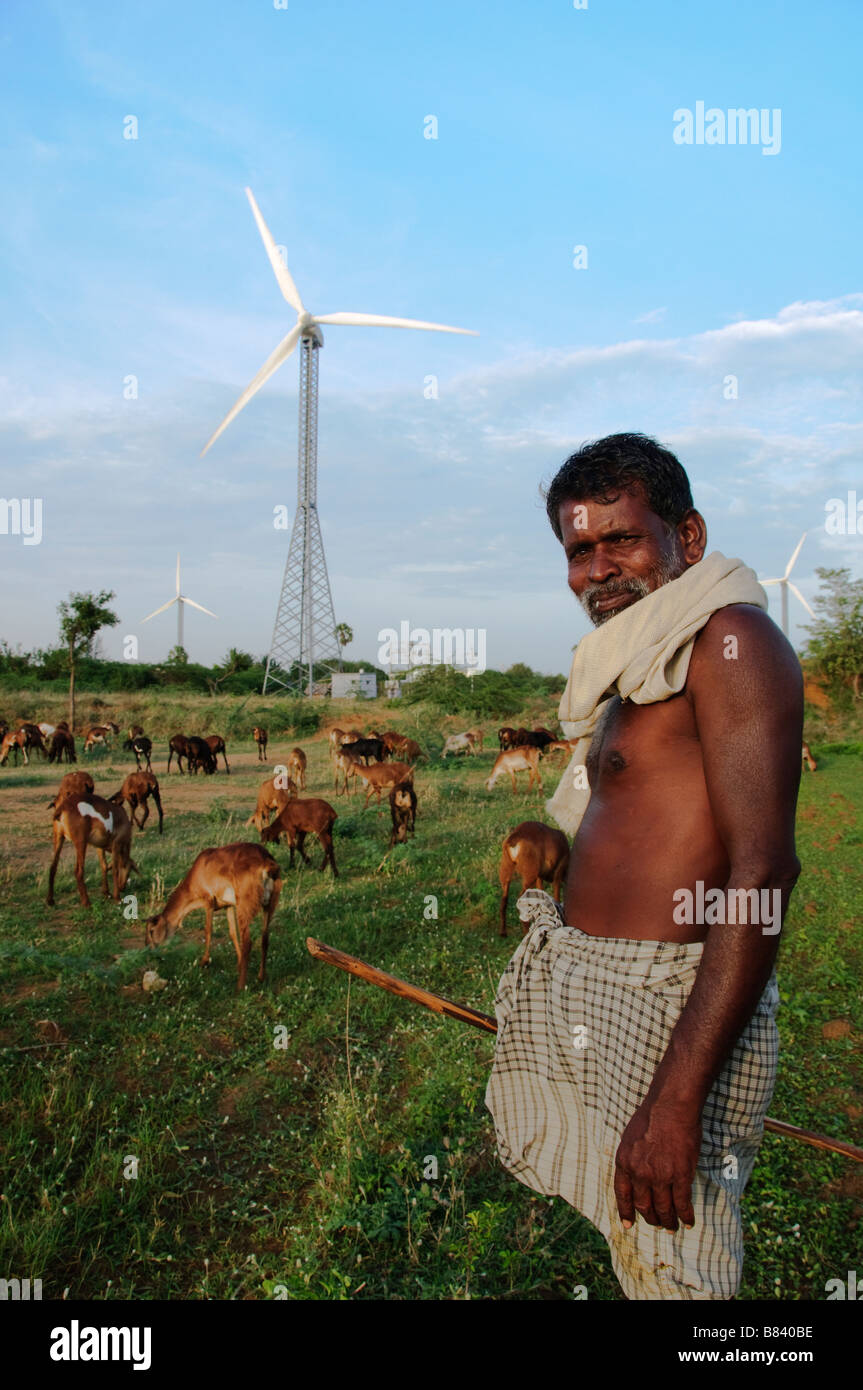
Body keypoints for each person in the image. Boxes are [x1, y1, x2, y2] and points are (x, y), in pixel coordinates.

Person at [485, 432, 803, 1299]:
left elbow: (762, 874)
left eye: (619, 539)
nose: (596, 569)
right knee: (638, 1257)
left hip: (671, 1010)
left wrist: (674, 1100)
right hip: (602, 996)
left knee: (681, 1274)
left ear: (686, 539)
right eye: (577, 550)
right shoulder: (637, 663)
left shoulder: (729, 643)